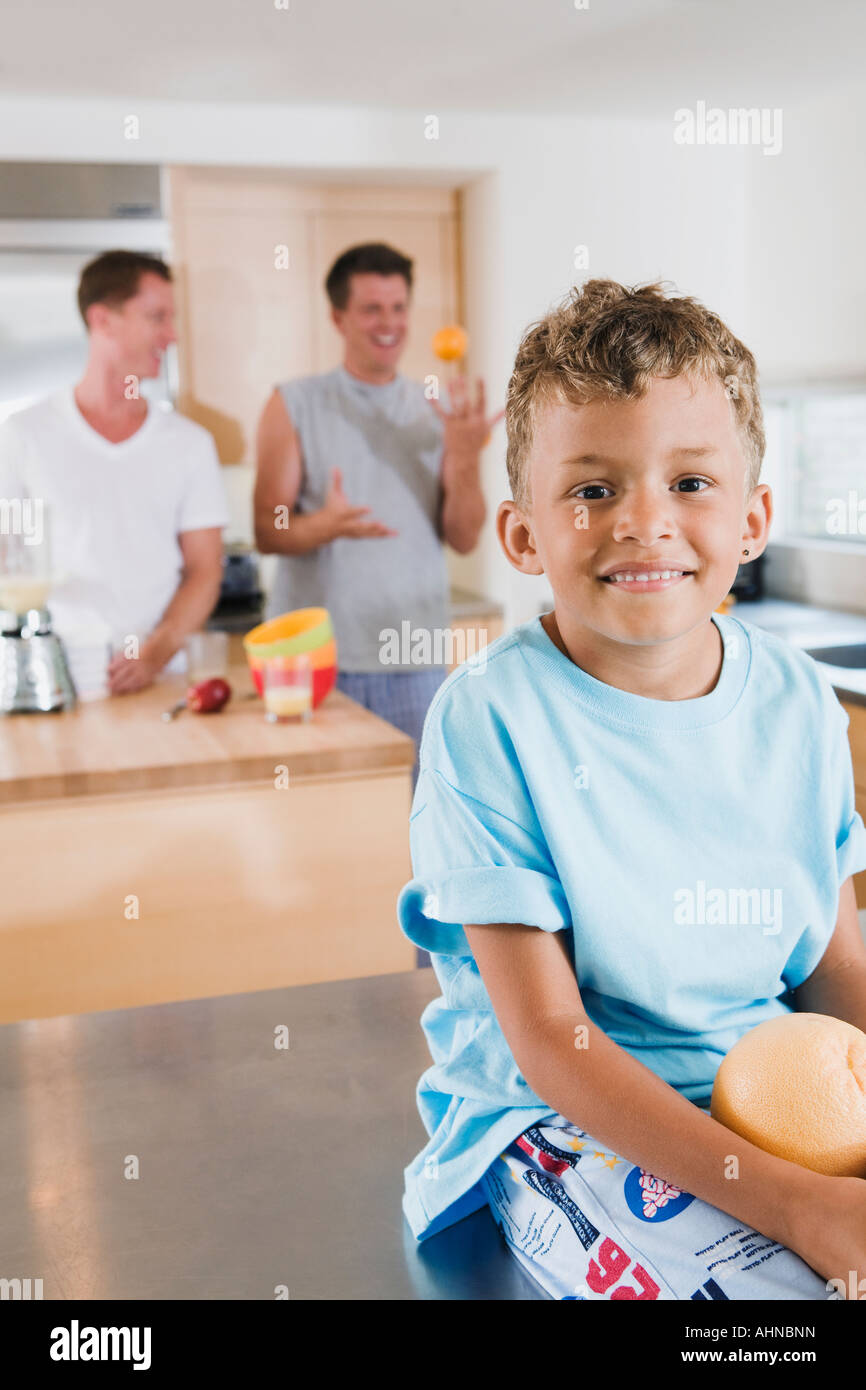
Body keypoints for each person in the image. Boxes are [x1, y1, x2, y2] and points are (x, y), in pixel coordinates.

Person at [396, 278, 866, 1300]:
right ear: (523, 536)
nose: (644, 523)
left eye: (690, 483)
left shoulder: (795, 700)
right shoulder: (488, 719)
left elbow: (833, 964)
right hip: (558, 1119)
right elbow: (549, 1038)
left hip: (766, 1090)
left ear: (752, 519)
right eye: (593, 488)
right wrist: (794, 1202)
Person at [253, 242, 501, 783]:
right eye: (371, 309)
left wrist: (462, 457)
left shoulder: (437, 411)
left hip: (415, 654)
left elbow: (463, 536)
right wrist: (326, 526)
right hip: (315, 661)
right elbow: (267, 530)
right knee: (323, 820)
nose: (387, 323)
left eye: (398, 308)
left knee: (417, 820)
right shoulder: (294, 403)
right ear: (339, 317)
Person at [0, 250, 228, 694]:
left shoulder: (189, 444)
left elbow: (205, 570)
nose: (172, 335)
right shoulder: (23, 435)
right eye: (156, 317)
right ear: (102, 319)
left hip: (162, 680)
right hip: (55, 681)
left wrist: (156, 652)